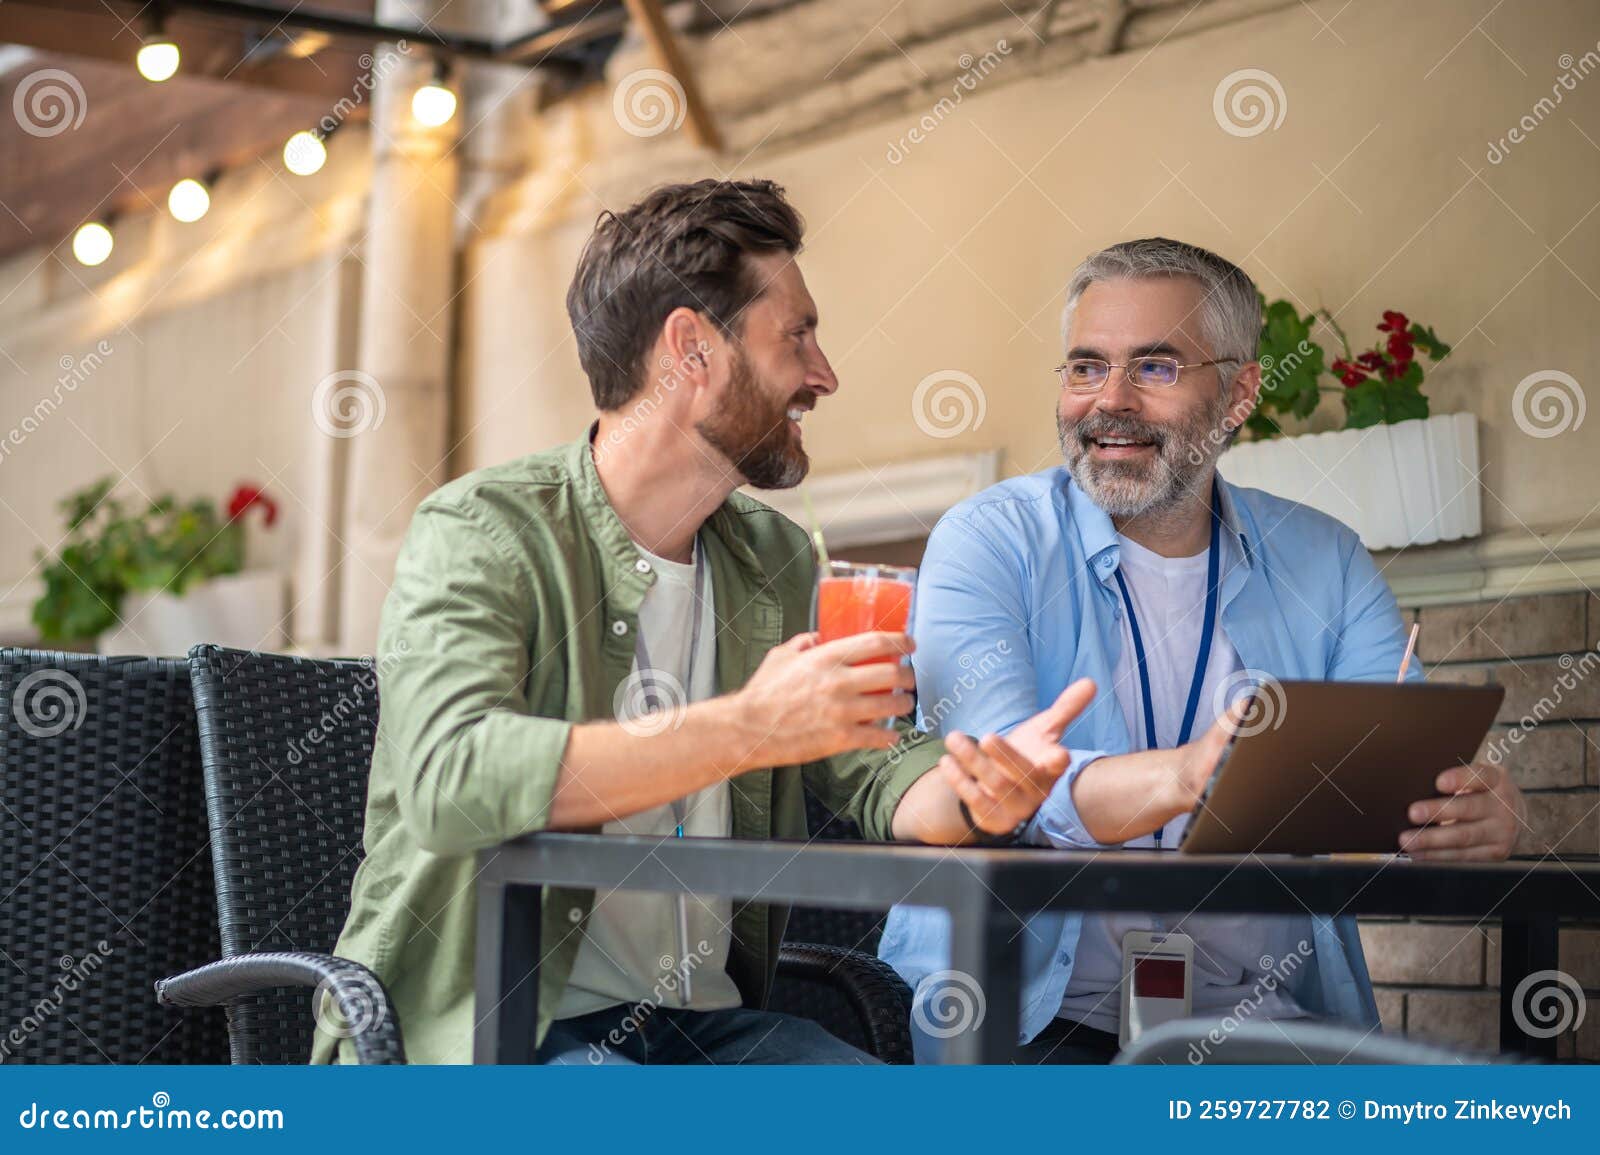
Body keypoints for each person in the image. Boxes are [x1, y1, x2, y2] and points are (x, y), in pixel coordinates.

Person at [312, 179, 1094, 1066]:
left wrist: (974, 791)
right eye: (796, 334)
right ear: (691, 348)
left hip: (707, 1030)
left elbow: (870, 769)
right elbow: (451, 777)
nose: (824, 373)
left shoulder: (777, 556)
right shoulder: (484, 531)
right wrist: (751, 724)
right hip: (495, 1030)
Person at [879, 237, 1525, 1064]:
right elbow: (999, 784)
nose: (1107, 401)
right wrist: (1187, 775)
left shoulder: (1325, 558)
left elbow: (1397, 787)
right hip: (1029, 1020)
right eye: (1084, 367)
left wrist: (1470, 812)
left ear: (1238, 392)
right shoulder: (989, 540)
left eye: (1153, 368)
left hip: (1265, 1023)